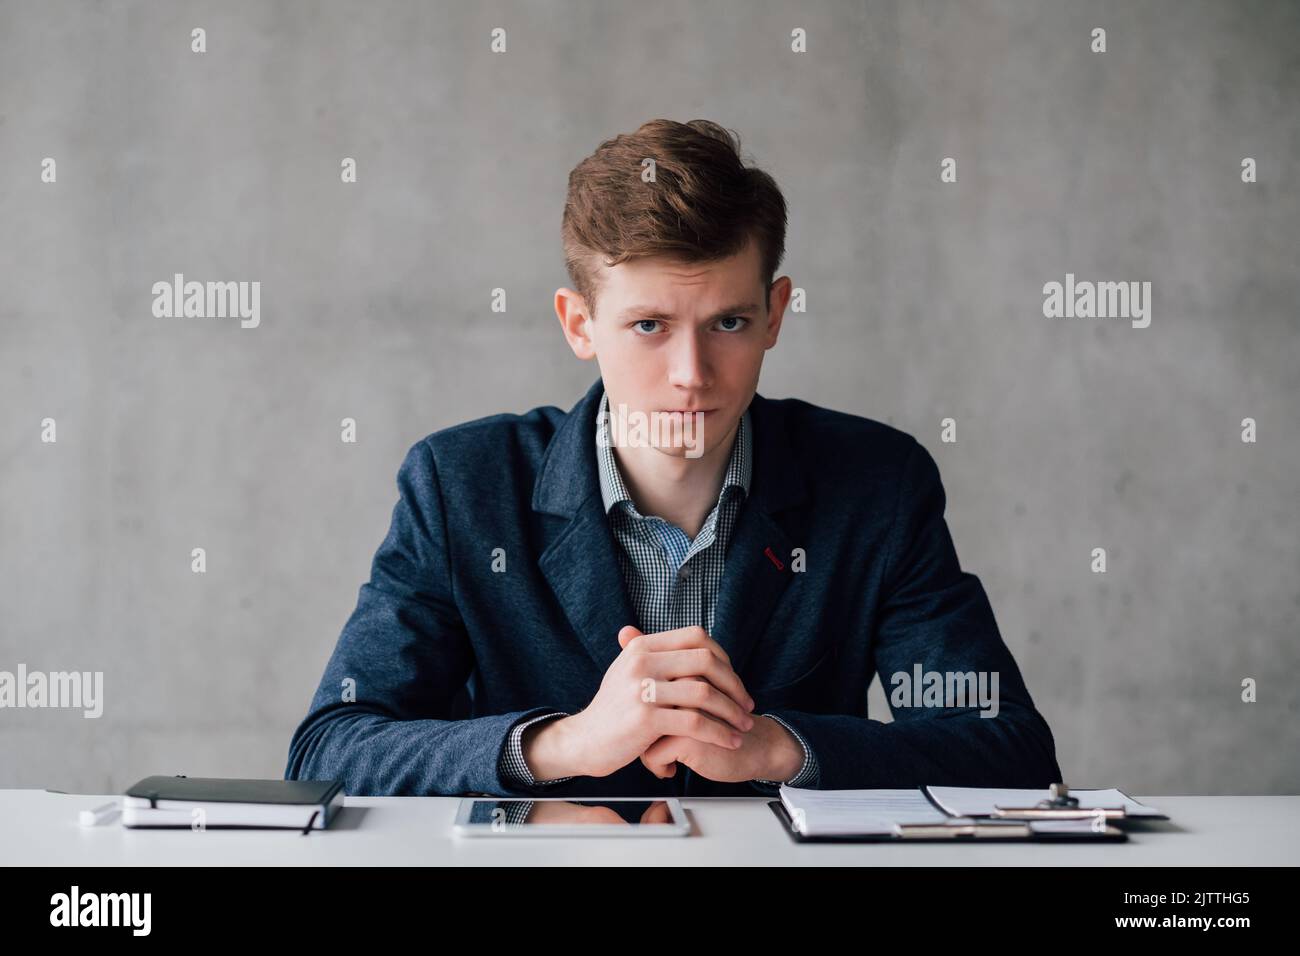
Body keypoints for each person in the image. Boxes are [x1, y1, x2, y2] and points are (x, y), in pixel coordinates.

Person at [284, 118, 1062, 798]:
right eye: (650, 326)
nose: (692, 373)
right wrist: (567, 743)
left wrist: (778, 748)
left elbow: (1010, 752)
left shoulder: (878, 485)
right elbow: (331, 750)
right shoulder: (461, 485)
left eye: (727, 322)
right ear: (579, 324)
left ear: (776, 315)